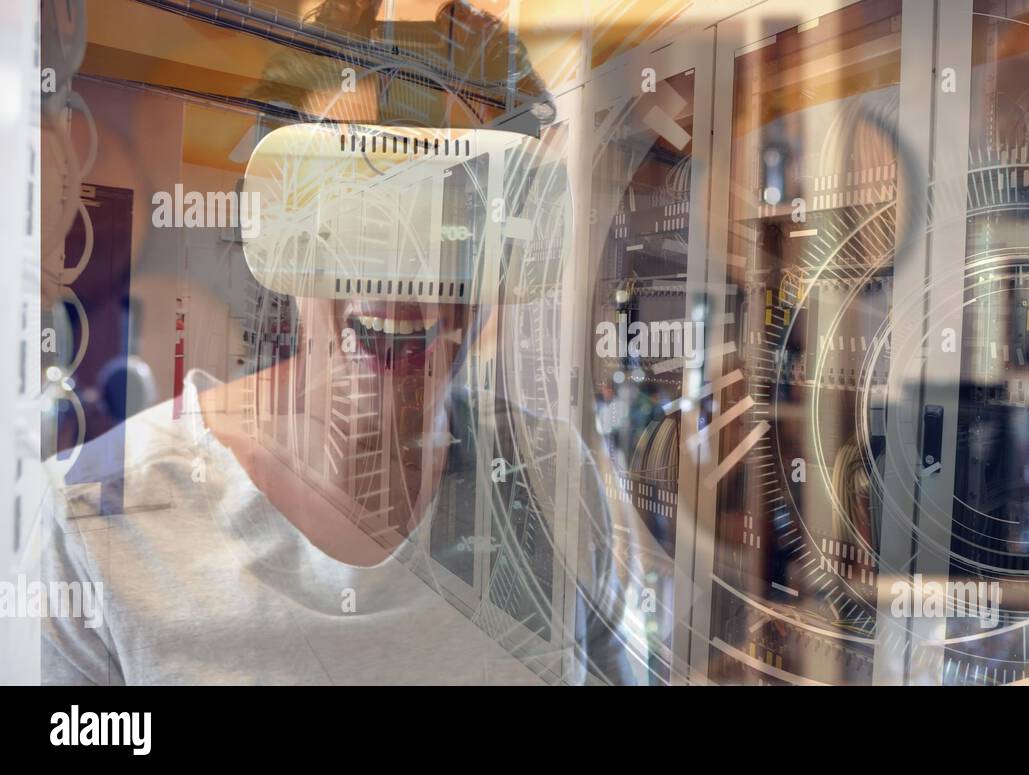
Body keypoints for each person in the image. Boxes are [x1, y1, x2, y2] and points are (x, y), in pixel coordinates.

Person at [40, 0, 637, 685]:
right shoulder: (99, 515)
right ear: (273, 228)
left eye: (456, 207)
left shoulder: (556, 480)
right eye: (350, 204)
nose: (400, 269)